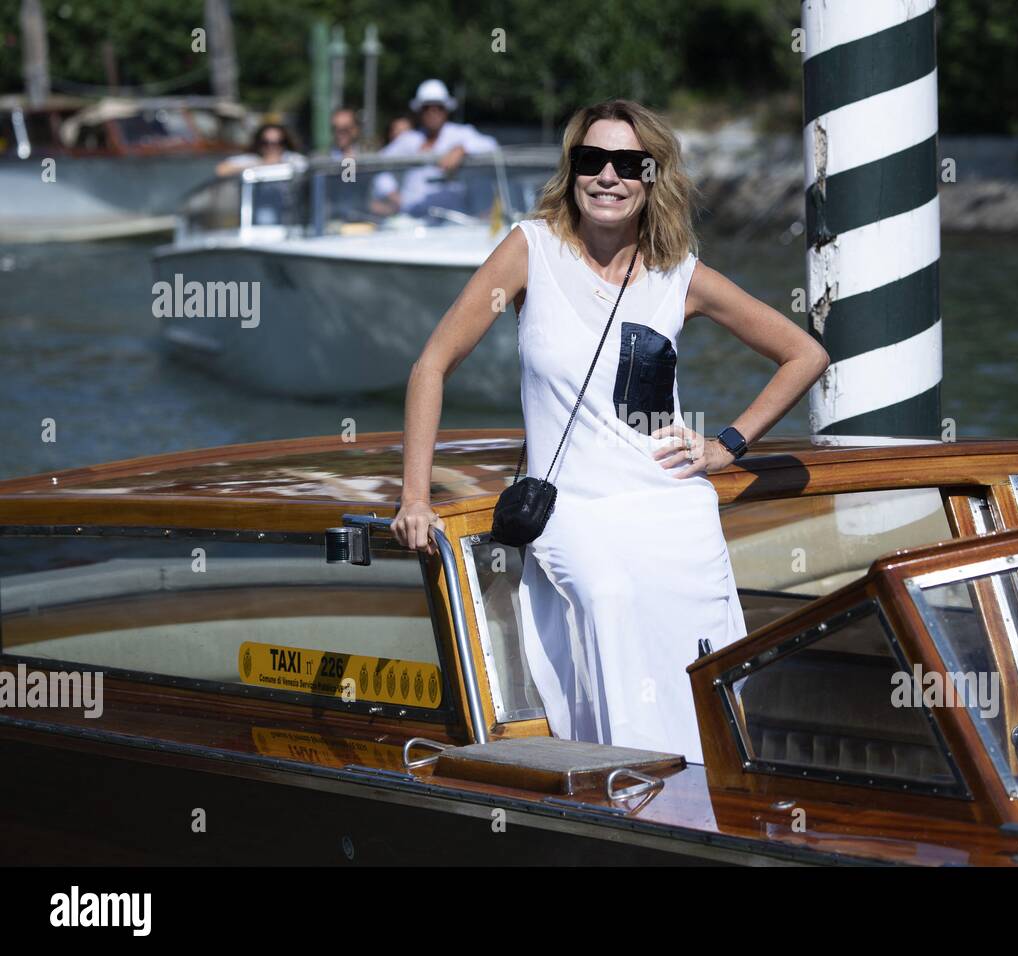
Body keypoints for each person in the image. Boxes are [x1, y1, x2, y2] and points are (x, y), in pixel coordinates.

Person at [392, 99, 829, 764]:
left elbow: (805, 354)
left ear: (654, 176)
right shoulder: (529, 250)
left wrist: (726, 445)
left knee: (693, 652)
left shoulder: (679, 275)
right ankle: (632, 788)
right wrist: (415, 499)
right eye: (590, 161)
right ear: (571, 171)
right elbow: (432, 364)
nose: (607, 176)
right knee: (609, 598)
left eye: (629, 164)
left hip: (670, 504)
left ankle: (705, 794)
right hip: (573, 508)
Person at [370, 79, 498, 218]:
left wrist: (462, 149)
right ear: (419, 111)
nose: (433, 112)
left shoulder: (460, 134)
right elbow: (378, 165)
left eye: (438, 107)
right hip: (411, 222)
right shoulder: (408, 140)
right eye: (427, 108)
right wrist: (392, 193)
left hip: (455, 223)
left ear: (446, 110)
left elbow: (491, 145)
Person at [215, 122, 306, 177]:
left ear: (284, 143)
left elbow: (304, 169)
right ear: (259, 143)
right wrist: (259, 166)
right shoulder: (253, 160)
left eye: (277, 143)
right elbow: (221, 170)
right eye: (266, 143)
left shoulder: (293, 159)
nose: (271, 147)